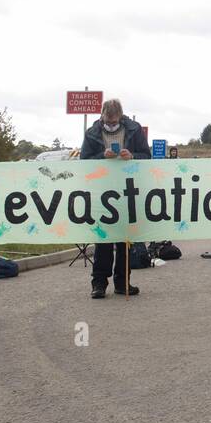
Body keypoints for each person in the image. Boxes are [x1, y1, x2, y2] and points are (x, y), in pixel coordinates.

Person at [79, 98, 150, 299]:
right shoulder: (92, 133)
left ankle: (122, 282)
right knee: (103, 240)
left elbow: (147, 156)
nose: (111, 125)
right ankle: (99, 284)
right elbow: (83, 161)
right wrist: (102, 156)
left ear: (120, 116)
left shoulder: (135, 130)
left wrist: (133, 156)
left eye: (114, 121)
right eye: (107, 122)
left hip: (128, 191)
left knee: (124, 241)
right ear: (102, 115)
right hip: (102, 191)